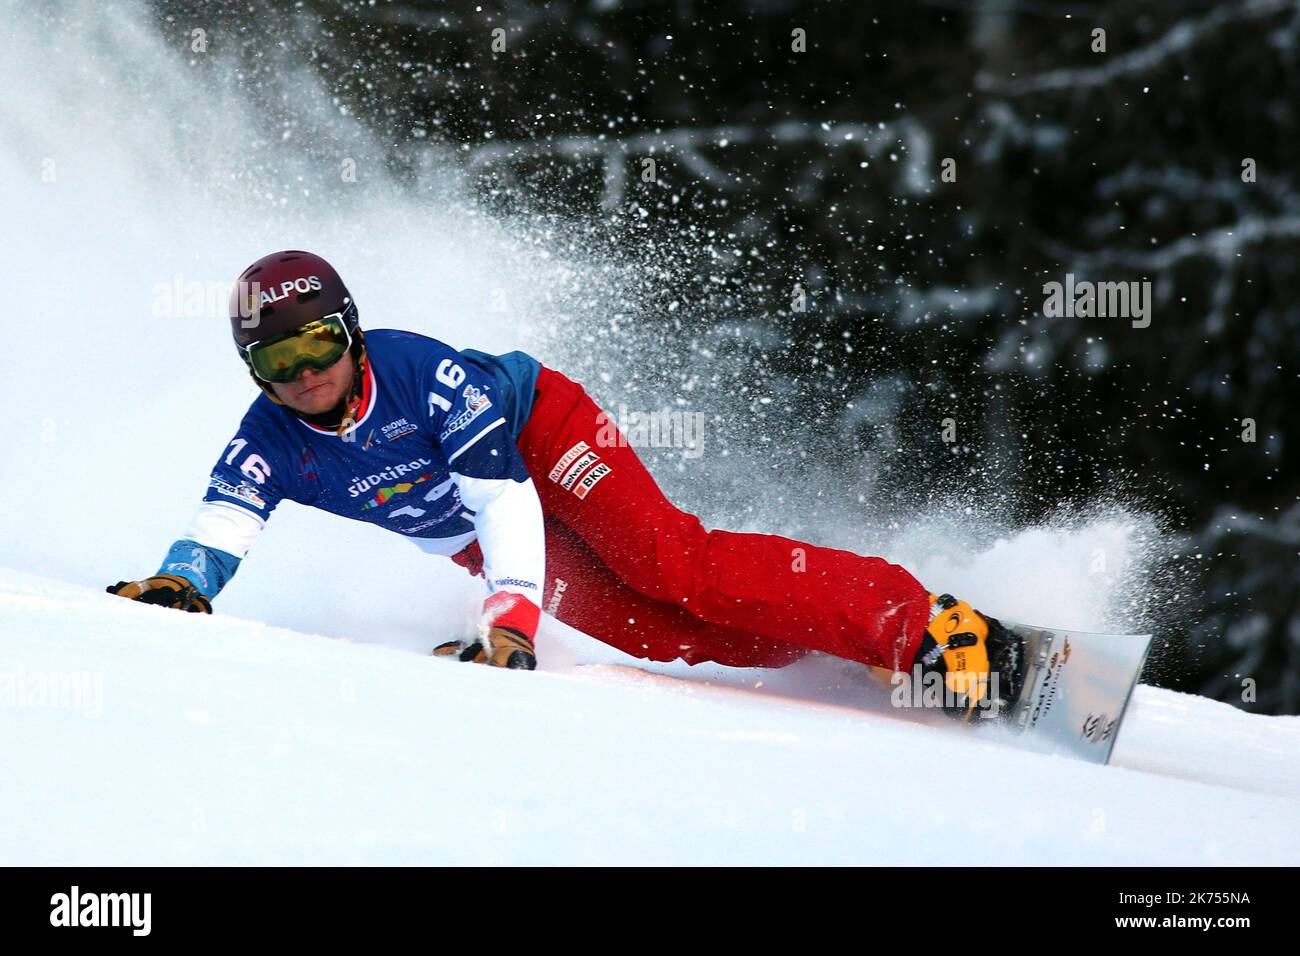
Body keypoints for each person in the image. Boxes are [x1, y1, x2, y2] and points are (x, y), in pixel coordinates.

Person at [108, 250, 1024, 720]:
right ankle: (837, 653)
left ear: (349, 332)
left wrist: (509, 619)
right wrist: (185, 582)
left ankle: (926, 628)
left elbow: (504, 495)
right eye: (277, 357)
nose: (304, 373)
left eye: (318, 345)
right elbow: (225, 517)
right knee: (662, 634)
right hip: (467, 528)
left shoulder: (417, 374)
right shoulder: (271, 435)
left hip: (537, 439)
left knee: (668, 562)